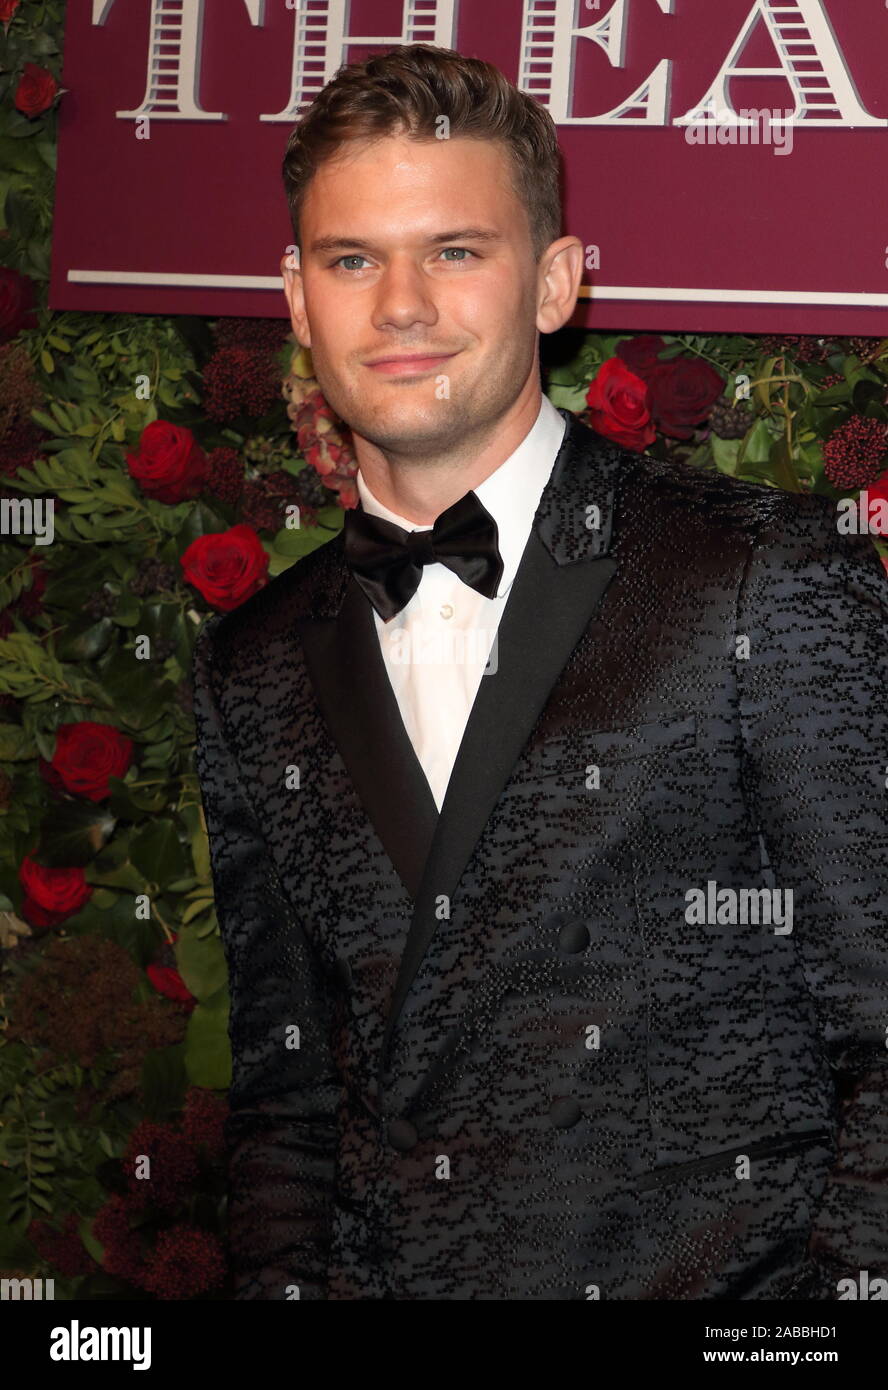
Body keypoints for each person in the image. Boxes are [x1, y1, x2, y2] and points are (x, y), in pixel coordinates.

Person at [191, 43, 888, 1300]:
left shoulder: (756, 574)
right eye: (354, 260)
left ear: (556, 282)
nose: (400, 304)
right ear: (296, 299)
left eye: (457, 251)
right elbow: (287, 1100)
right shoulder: (252, 665)